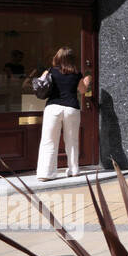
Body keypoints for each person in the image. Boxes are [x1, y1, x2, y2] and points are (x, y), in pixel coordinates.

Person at [35, 47, 91, 181]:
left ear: (58, 58)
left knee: (49, 141)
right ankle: (74, 169)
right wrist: (87, 81)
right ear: (72, 59)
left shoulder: (50, 71)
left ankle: (45, 173)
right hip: (71, 108)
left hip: (53, 108)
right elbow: (83, 91)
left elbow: (40, 85)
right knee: (72, 140)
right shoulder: (77, 74)